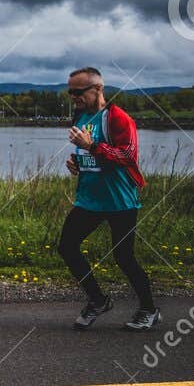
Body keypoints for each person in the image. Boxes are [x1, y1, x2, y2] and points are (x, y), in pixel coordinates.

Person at [58, 67, 158, 330]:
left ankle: (149, 310)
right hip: (89, 199)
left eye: (78, 92)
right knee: (67, 247)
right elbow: (90, 156)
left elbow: (127, 156)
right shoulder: (80, 116)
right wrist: (77, 163)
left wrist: (90, 146)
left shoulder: (117, 118)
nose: (73, 97)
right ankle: (98, 300)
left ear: (98, 89)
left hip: (119, 201)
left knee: (124, 257)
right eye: (70, 92)